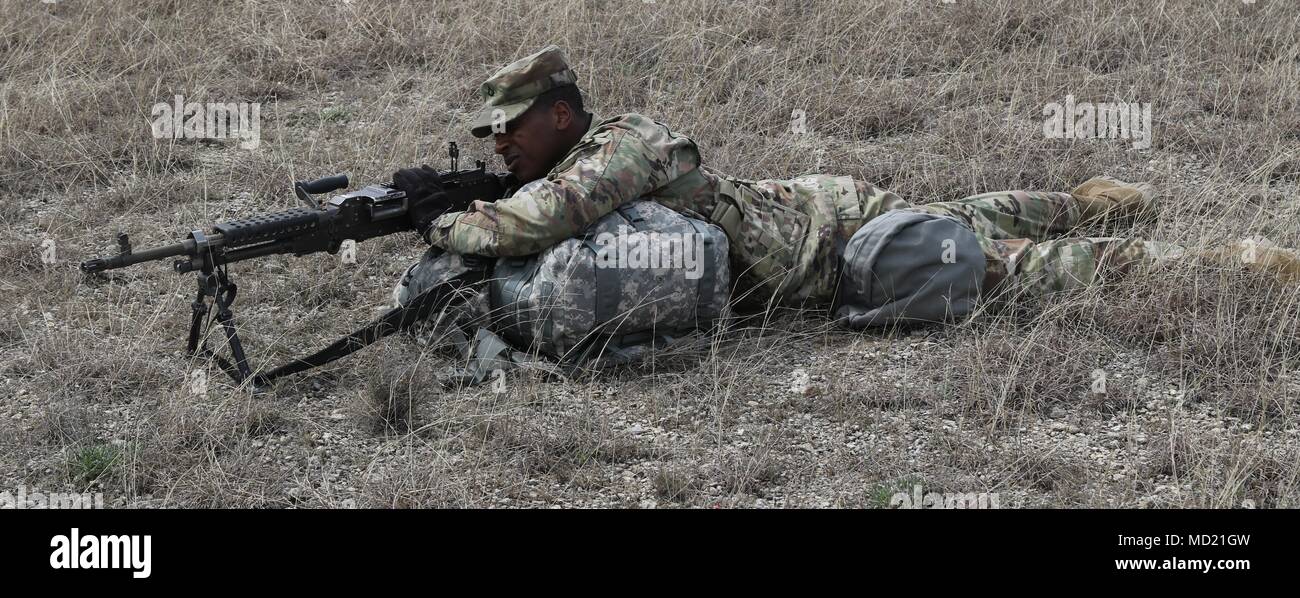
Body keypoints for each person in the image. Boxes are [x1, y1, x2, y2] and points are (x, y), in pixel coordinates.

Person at [392, 45, 1300, 332]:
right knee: (970, 212)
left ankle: (1229, 260)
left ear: (560, 114)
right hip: (819, 209)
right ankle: (1097, 195)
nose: (501, 143)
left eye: (511, 125)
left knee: (1003, 266)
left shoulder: (623, 146)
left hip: (836, 248)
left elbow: (544, 222)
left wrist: (446, 228)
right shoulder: (574, 159)